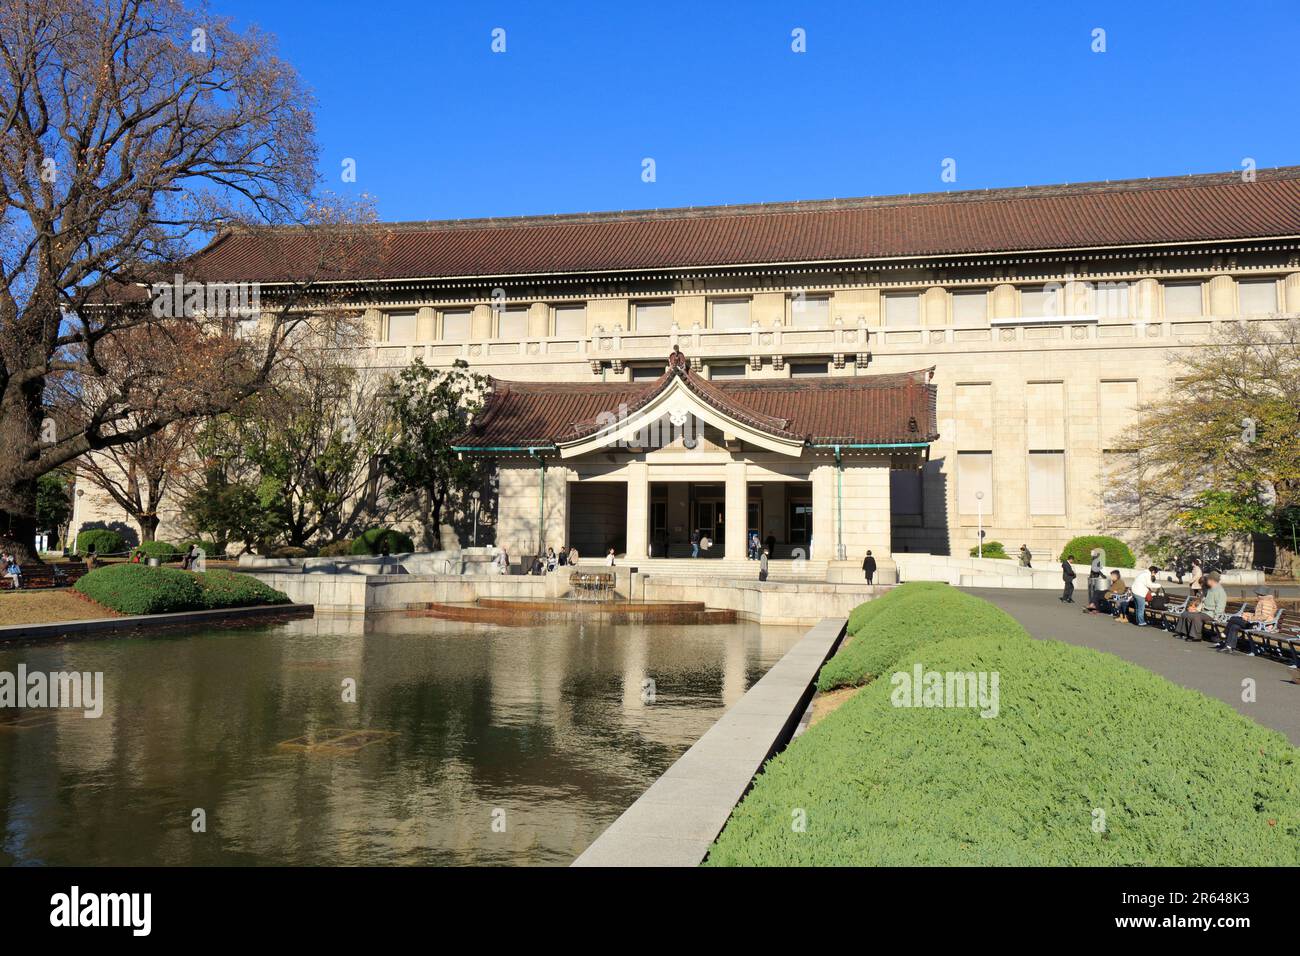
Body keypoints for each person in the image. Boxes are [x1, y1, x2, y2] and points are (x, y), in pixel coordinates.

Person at [1215, 587, 1279, 653]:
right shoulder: (1263, 601)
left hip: (1260, 626)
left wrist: (1249, 618)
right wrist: (1246, 614)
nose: (1256, 595)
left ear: (1260, 594)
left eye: (1257, 594)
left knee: (1233, 619)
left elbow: (1264, 617)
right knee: (1234, 626)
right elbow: (1257, 615)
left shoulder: (1266, 602)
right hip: (1256, 623)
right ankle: (1229, 647)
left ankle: (1224, 634)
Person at [1175, 571, 1226, 641]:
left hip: (1212, 614)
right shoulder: (1209, 589)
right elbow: (1203, 602)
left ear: (1212, 580)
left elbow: (1220, 606)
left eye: (1208, 579)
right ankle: (1183, 633)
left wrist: (1216, 616)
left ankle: (1196, 636)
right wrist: (1195, 609)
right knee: (1186, 614)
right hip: (1204, 612)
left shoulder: (1220, 591)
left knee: (1196, 617)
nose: (1206, 580)